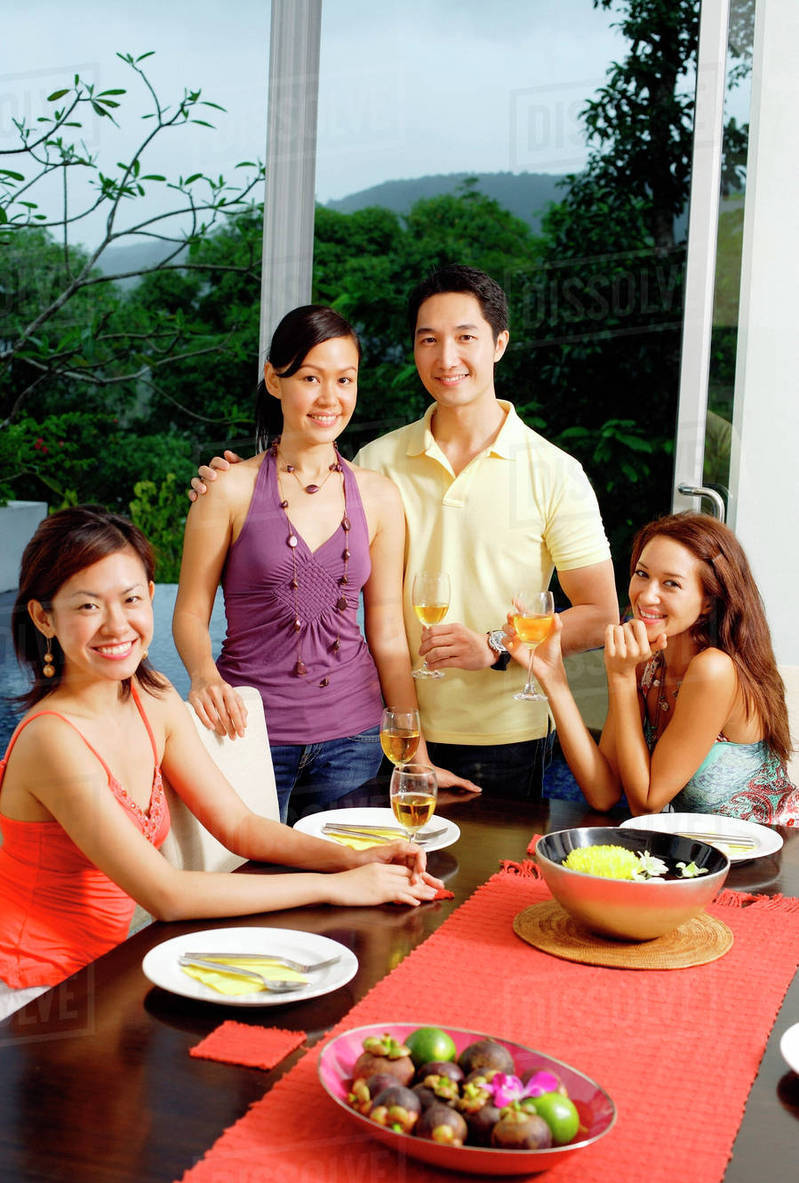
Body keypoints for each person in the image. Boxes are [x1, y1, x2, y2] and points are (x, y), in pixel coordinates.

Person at [191, 267, 618, 801]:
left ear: (499, 344)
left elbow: (600, 617)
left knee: (487, 880)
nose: (447, 358)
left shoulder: (555, 472)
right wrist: (227, 487)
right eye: (428, 340)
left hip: (505, 733)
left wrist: (495, 646)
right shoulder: (377, 462)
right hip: (379, 729)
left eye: (466, 338)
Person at [0, 506, 442, 1019]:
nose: (116, 624)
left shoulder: (153, 697)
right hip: (34, 994)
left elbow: (239, 825)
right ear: (43, 617)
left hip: (113, 971)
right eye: (87, 607)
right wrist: (335, 887)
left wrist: (354, 858)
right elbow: (166, 895)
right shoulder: (53, 739)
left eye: (131, 598)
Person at [174, 304, 475, 824]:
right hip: (244, 732)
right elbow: (188, 612)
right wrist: (203, 677)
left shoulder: (380, 497)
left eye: (345, 379)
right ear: (274, 380)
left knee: (343, 888)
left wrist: (414, 754)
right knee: (251, 889)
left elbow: (386, 635)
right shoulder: (225, 490)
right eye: (310, 378)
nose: (329, 398)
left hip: (354, 740)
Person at [509, 511, 799, 823]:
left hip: (775, 854)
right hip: (700, 851)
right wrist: (554, 678)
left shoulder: (714, 669)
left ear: (708, 601)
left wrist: (620, 678)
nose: (647, 596)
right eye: (642, 574)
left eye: (671, 583)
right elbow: (602, 792)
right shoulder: (646, 662)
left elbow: (646, 806)